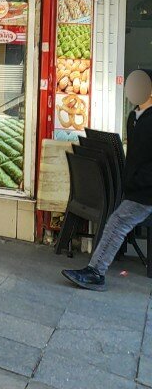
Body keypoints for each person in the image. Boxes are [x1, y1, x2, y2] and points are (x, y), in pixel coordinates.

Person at [63, 69, 152, 291]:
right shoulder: (134, 116)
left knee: (117, 223)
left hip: (145, 190)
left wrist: (138, 182)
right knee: (118, 221)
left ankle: (96, 272)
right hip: (135, 187)